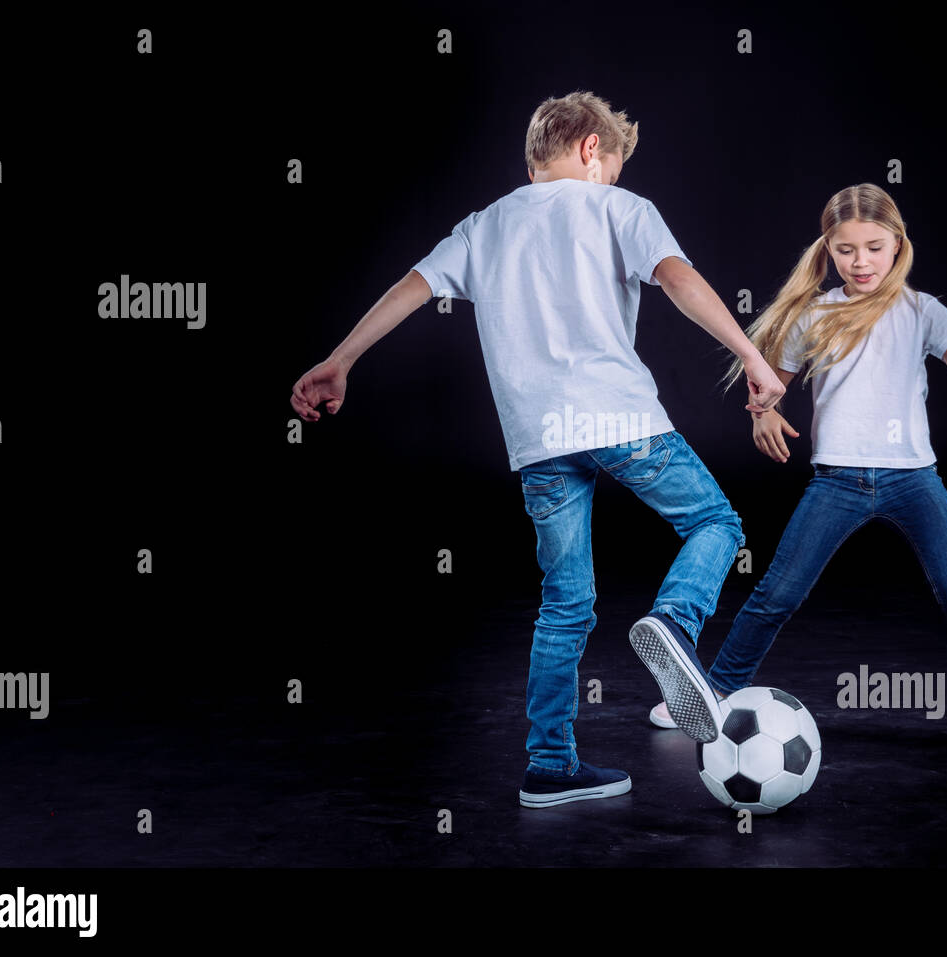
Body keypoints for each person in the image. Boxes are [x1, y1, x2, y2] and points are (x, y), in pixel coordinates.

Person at [289, 91, 786, 807]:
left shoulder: (483, 225)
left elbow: (412, 287)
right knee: (716, 524)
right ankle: (675, 621)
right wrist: (753, 358)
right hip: (622, 423)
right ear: (592, 151)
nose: (612, 179)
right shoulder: (621, 208)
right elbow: (677, 278)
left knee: (564, 602)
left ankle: (550, 763)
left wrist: (341, 359)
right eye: (612, 166)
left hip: (537, 444)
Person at [646, 183, 947, 738]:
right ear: (828, 249)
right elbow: (770, 381)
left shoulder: (922, 312)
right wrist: (760, 414)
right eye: (846, 249)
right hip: (837, 480)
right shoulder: (816, 314)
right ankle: (710, 693)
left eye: (874, 246)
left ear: (897, 245)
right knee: (777, 594)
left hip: (914, 478)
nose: (860, 261)